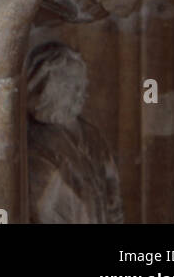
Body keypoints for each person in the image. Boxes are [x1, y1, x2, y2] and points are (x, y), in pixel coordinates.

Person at [27, 42, 124, 225]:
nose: (81, 93)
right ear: (49, 88)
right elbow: (42, 211)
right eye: (71, 86)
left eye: (82, 85)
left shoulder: (91, 135)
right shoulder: (35, 143)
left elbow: (112, 191)